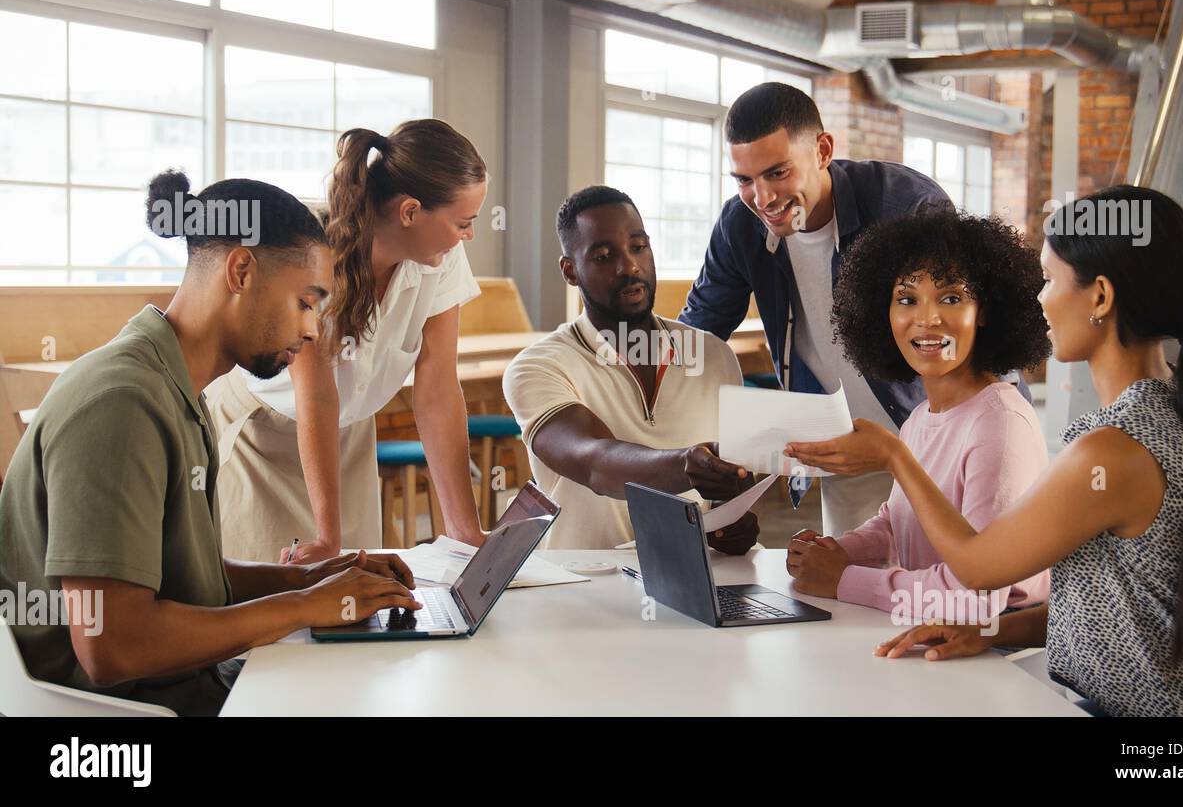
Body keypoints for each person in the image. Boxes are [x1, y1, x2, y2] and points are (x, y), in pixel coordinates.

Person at [791, 186, 1183, 717]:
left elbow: (977, 570)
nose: (1038, 299)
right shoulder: (1161, 415)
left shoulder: (1112, 451)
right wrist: (992, 631)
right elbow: (1109, 598)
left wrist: (894, 456)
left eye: (1050, 280)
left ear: (1100, 298)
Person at [0, 171, 420, 716]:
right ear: (241, 270)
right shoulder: (122, 404)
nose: (314, 330)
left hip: (183, 687)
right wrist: (302, 606)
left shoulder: (175, 386)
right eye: (305, 301)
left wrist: (314, 578)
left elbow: (185, 580)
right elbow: (114, 645)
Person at [679, 82, 1032, 538]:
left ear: (823, 150)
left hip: (948, 434)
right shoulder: (740, 226)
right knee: (849, 589)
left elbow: (957, 327)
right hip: (851, 445)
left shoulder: (904, 204)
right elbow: (697, 334)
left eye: (778, 173)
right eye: (745, 180)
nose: (762, 197)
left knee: (960, 587)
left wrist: (980, 435)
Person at [207, 119, 491, 564]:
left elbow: (436, 388)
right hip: (262, 437)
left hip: (347, 436)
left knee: (351, 597)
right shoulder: (312, 251)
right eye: (463, 222)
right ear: (411, 212)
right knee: (274, 601)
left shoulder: (442, 256)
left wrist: (464, 532)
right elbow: (315, 395)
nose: (469, 234)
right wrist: (326, 536)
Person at [785, 206, 1052, 621]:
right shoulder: (920, 418)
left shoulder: (999, 424)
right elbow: (899, 523)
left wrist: (843, 579)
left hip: (995, 656)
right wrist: (835, 552)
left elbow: (977, 601)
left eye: (951, 297)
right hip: (925, 634)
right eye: (907, 299)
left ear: (983, 311)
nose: (927, 319)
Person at [503, 186, 759, 552]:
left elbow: (731, 489)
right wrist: (686, 465)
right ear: (570, 270)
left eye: (638, 247)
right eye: (604, 256)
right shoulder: (538, 367)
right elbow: (594, 462)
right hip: (581, 586)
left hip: (693, 582)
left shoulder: (713, 355)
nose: (629, 266)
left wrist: (734, 522)